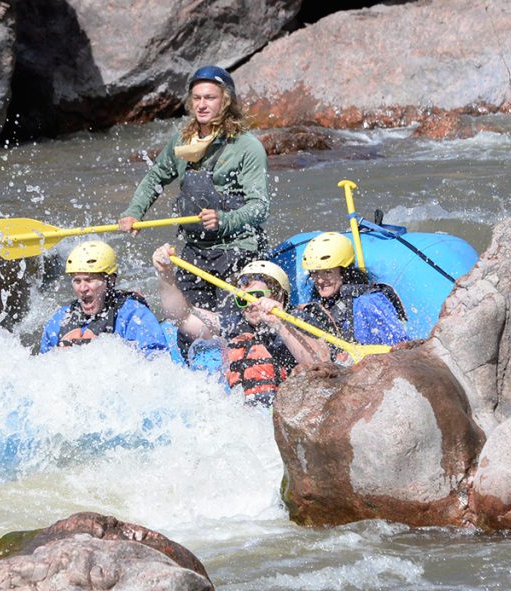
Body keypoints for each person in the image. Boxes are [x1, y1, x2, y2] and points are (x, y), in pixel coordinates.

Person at [119, 66, 270, 309]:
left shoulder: (247, 146)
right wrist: (134, 211)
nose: (201, 104)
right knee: (188, 326)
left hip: (238, 249)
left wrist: (224, 219)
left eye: (210, 98)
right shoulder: (182, 141)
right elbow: (156, 176)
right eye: (197, 98)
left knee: (230, 321)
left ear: (226, 101)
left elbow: (260, 208)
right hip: (195, 251)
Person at [152, 244, 327, 406]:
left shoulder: (298, 320)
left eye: (257, 295)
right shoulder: (235, 323)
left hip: (289, 406)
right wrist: (165, 275)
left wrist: (280, 325)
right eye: (243, 299)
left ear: (279, 296)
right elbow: (181, 317)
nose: (249, 304)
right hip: (246, 414)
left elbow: (322, 362)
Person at [40, 241, 168, 355]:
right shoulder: (60, 319)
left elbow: (156, 360)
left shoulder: (134, 314)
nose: (83, 288)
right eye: (77, 281)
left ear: (110, 280)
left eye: (89, 280)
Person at [299, 232, 409, 363]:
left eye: (327, 272)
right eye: (315, 273)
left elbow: (402, 350)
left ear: (344, 272)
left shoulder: (367, 302)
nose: (320, 280)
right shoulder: (325, 302)